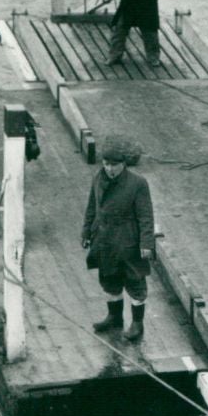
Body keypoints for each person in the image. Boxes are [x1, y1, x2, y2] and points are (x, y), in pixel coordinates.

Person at [83, 134, 155, 342]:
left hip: (128, 241)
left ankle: (137, 324)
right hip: (105, 240)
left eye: (114, 165)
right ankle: (114, 317)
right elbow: (91, 207)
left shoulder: (138, 184)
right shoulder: (99, 178)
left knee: (135, 283)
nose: (110, 169)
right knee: (109, 280)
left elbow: (145, 217)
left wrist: (146, 244)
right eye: (106, 164)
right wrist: (86, 232)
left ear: (123, 164)